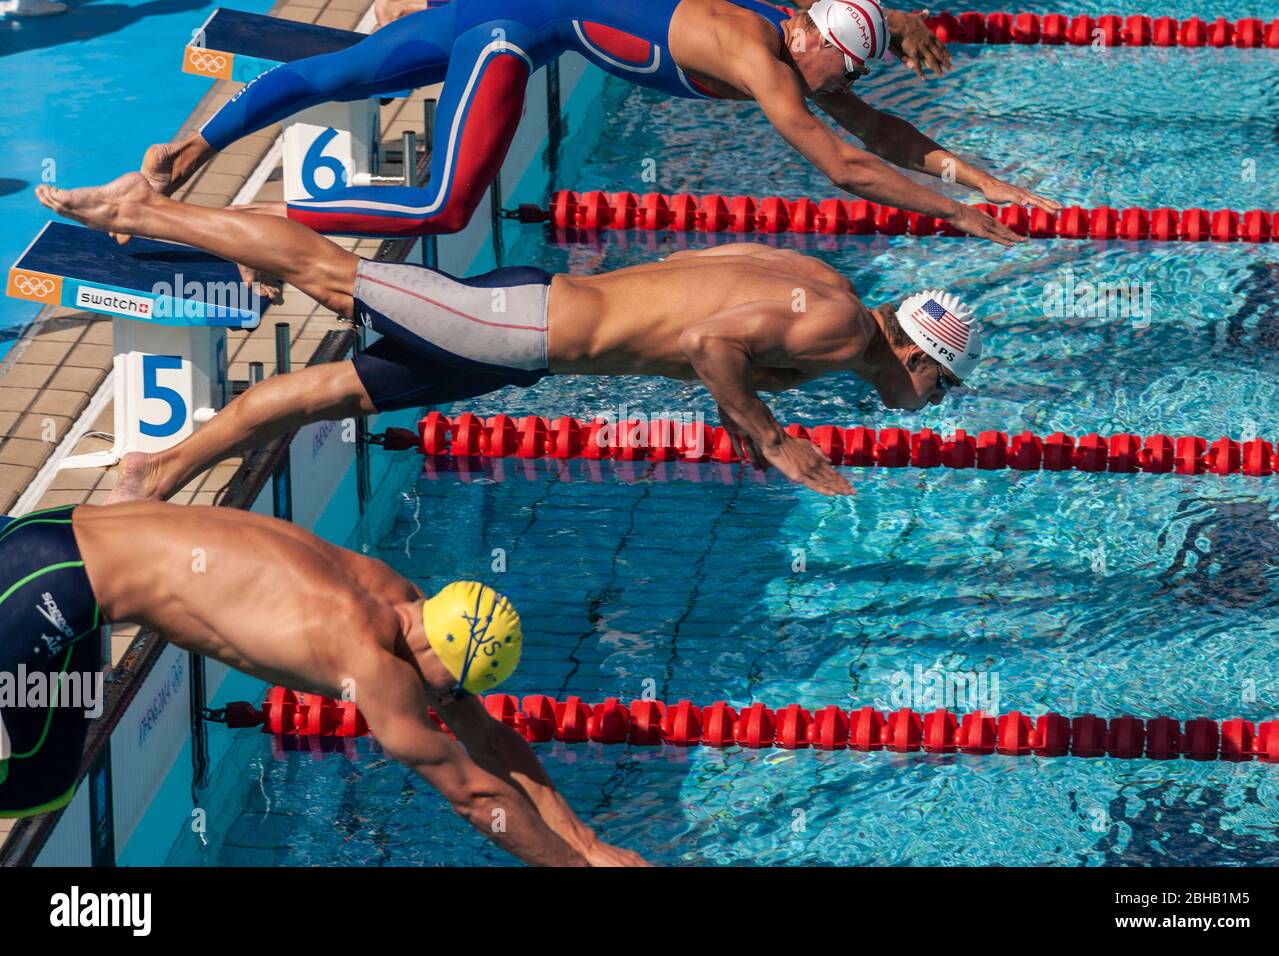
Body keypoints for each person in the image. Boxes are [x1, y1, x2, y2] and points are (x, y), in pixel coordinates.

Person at [36, 173, 984, 500]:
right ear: (914, 353)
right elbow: (708, 345)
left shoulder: (824, 283)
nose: (926, 406)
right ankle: (148, 210)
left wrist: (752, 397)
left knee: (328, 391)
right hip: (516, 331)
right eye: (936, 388)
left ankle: (155, 474)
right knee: (330, 272)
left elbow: (702, 278)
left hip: (529, 322)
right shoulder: (833, 329)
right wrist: (768, 438)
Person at [0, 502, 647, 866]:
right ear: (438, 652)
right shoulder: (370, 659)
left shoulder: (401, 598)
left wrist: (590, 846)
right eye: (448, 689)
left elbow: (489, 740)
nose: (444, 700)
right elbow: (475, 797)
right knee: (35, 785)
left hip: (52, 535)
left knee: (57, 731)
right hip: (50, 590)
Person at [138, 0, 1056, 243]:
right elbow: (848, 166)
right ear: (812, 39)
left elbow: (877, 131)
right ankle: (230, 219)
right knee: (443, 209)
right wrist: (956, 217)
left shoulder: (793, 36)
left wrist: (977, 176)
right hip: (512, 28)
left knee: (348, 69)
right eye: (838, 71)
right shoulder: (756, 56)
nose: (834, 87)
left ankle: (183, 151)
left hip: (514, 5)